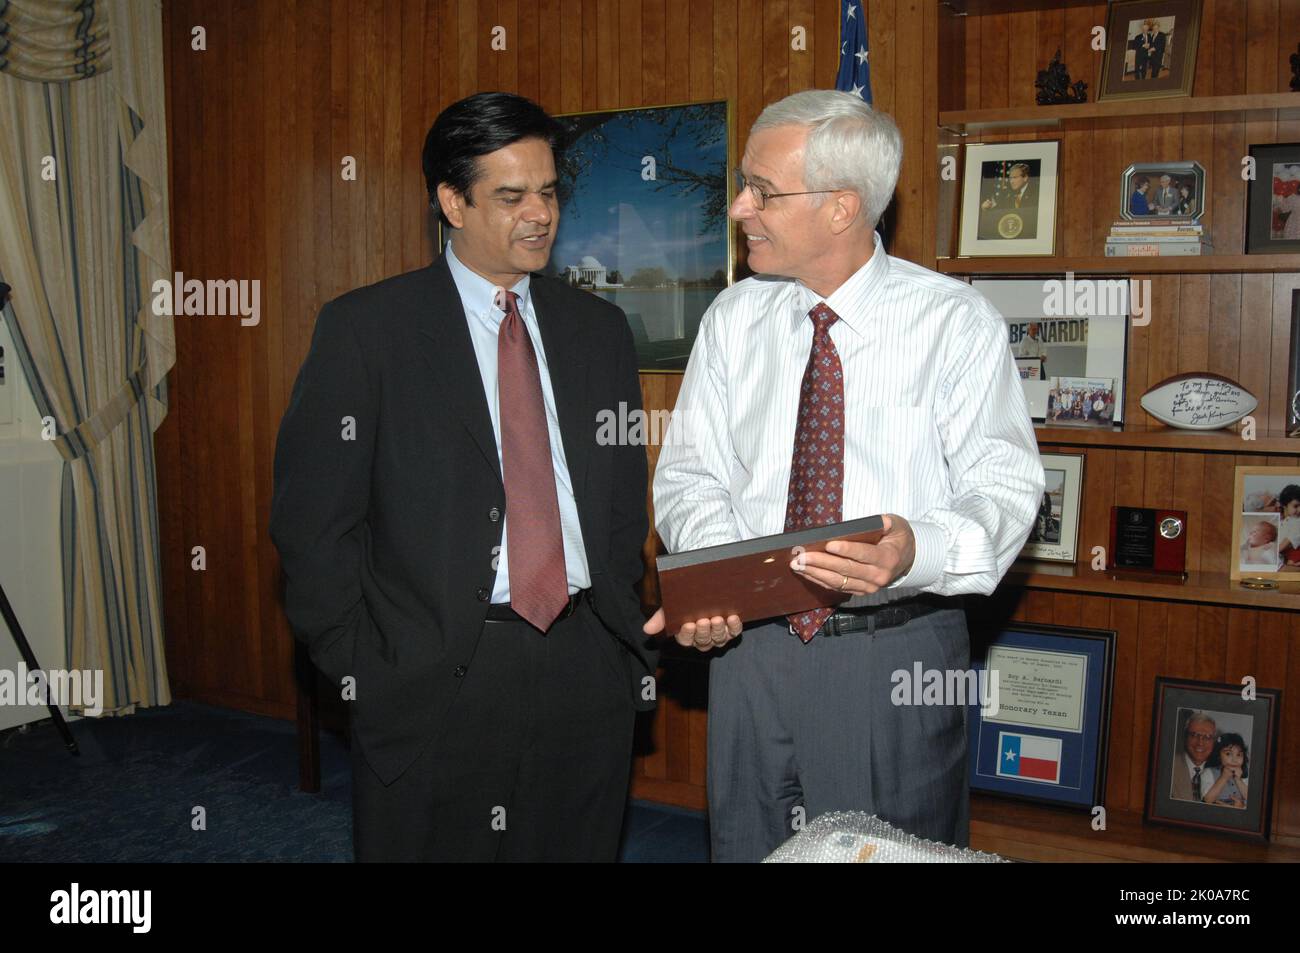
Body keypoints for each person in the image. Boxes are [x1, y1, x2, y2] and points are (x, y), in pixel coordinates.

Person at [647, 90, 1044, 862]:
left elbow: (1004, 486)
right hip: (750, 658)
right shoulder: (733, 319)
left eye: (763, 190)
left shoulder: (954, 322)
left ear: (842, 207)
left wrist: (915, 547)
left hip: (892, 657)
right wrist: (724, 579)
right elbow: (691, 476)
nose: (739, 207)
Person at [270, 91, 656, 862]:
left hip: (586, 666)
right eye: (512, 196)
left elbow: (620, 508)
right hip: (435, 676)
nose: (540, 214)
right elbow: (314, 528)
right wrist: (368, 668)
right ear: (453, 202)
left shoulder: (600, 330)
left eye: (548, 192)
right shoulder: (367, 330)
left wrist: (619, 651)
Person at [1170, 712, 1219, 802]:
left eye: (1207, 737)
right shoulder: (1169, 765)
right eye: (1194, 735)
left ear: (1214, 742)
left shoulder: (1222, 773)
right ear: (1186, 737)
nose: (1200, 743)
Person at [1202, 733, 1249, 809]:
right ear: (1218, 756)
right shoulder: (1208, 773)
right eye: (1228, 754)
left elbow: (1251, 799)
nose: (1234, 760)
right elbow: (1207, 800)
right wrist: (1224, 777)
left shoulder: (1243, 774)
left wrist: (1238, 780)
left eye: (1239, 755)